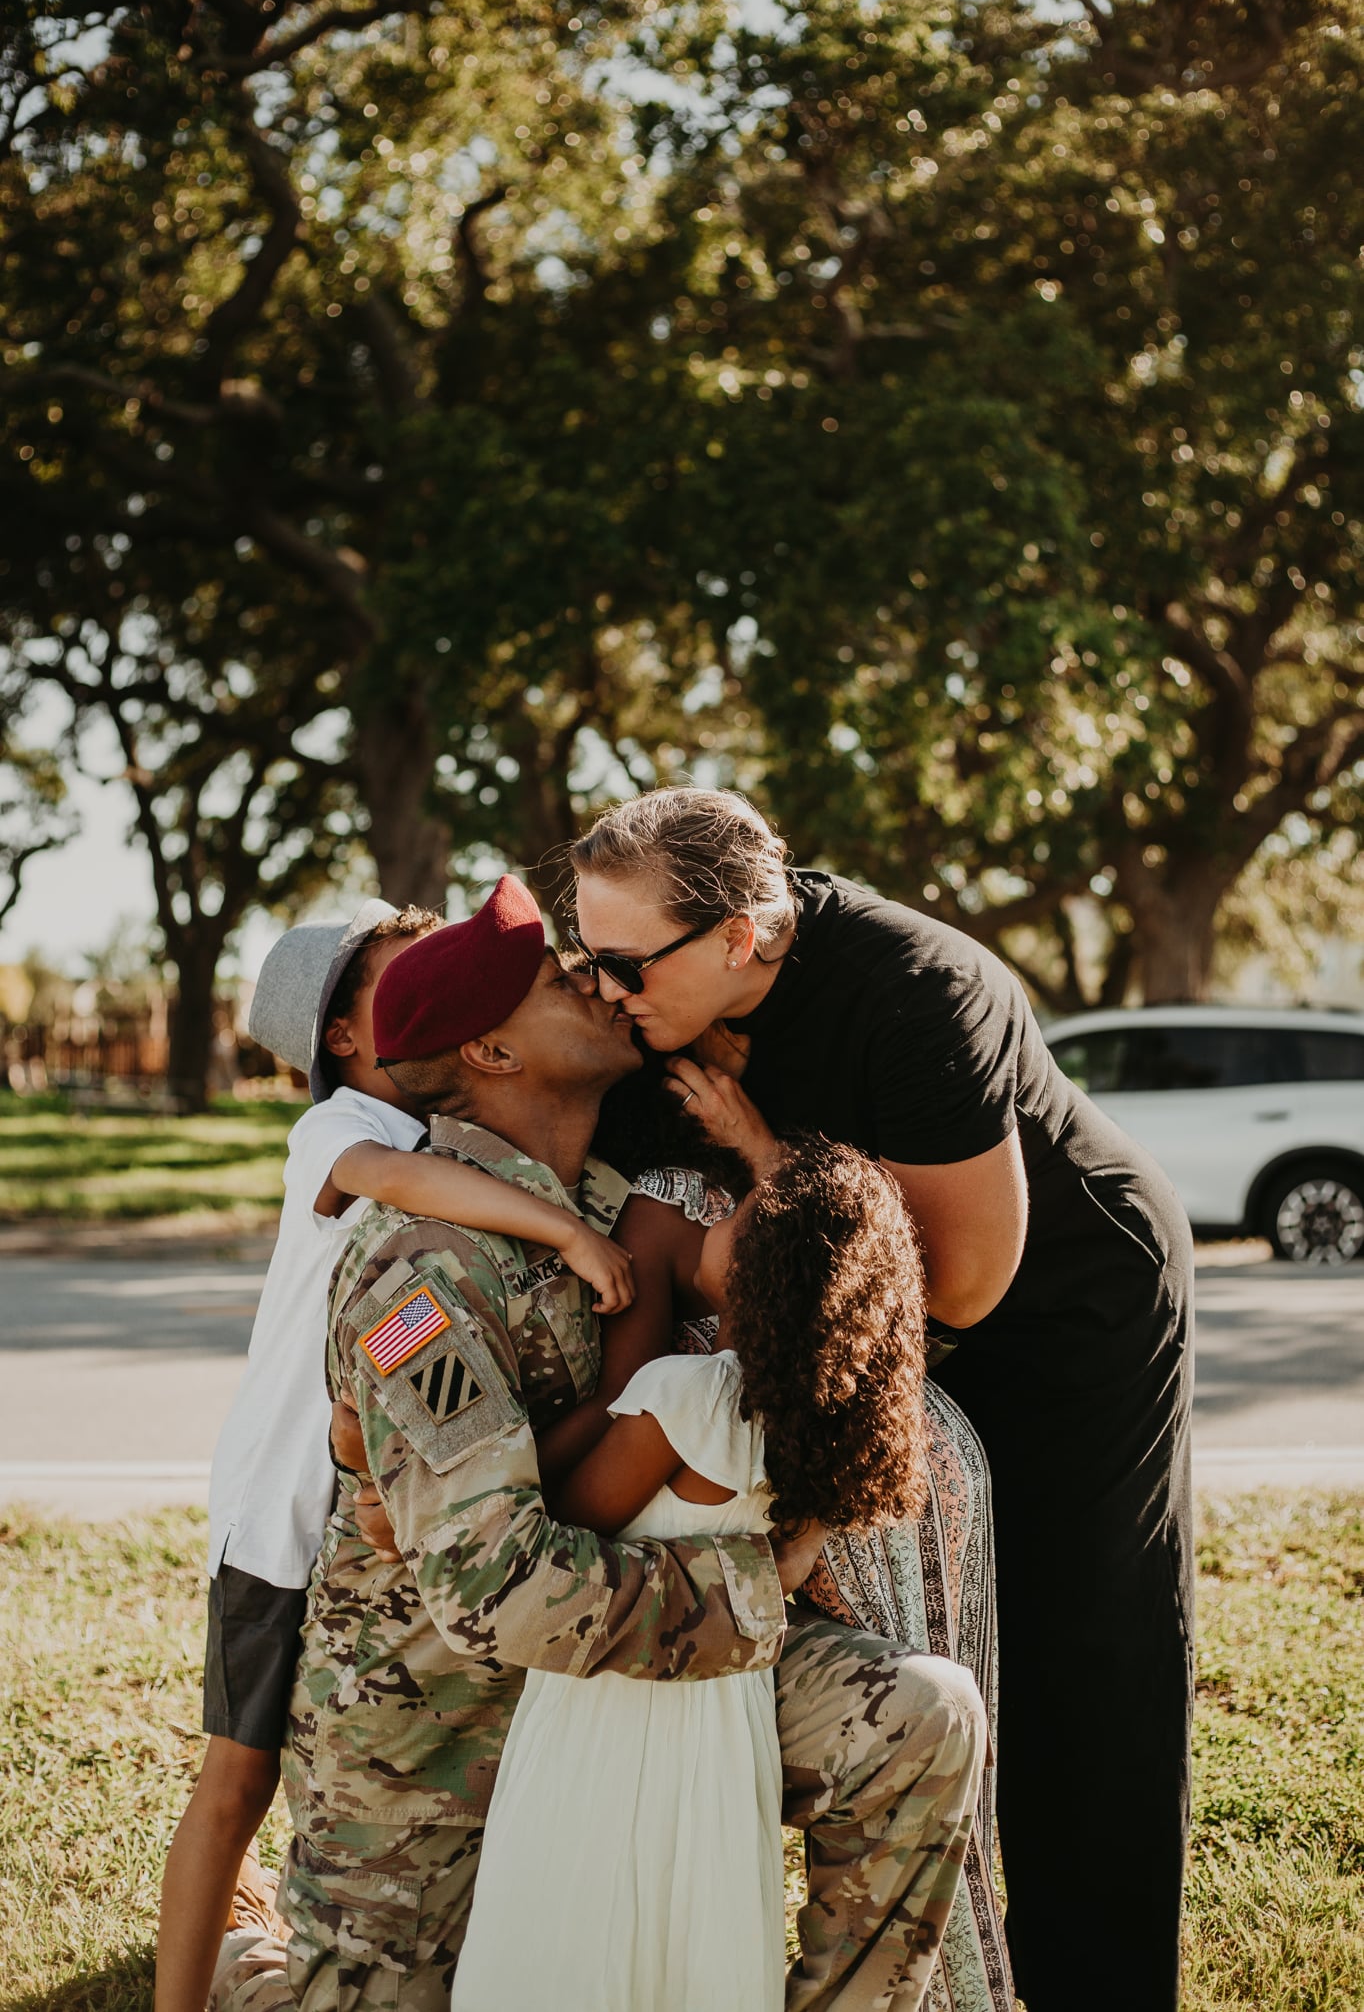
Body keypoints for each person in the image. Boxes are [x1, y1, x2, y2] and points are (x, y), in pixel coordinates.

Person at [209, 874, 988, 2012]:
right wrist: (754, 1592)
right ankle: (255, 1956)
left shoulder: (632, 1198)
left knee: (920, 1716)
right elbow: (496, 1593)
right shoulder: (416, 1270)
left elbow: (834, 1318)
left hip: (635, 1679)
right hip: (440, 1740)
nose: (589, 972)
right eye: (550, 974)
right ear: (492, 1054)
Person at [569, 786, 1196, 2012]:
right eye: (583, 959)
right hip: (864, 1327)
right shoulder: (662, 1018)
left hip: (1061, 1309)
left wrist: (767, 1155)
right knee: (931, 1646)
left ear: (742, 932)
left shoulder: (917, 990)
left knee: (1086, 1648)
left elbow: (959, 1281)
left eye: (625, 964)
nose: (603, 990)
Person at [156, 898, 636, 2012]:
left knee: (309, 1768)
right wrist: (564, 1230)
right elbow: (398, 1183)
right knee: (236, 1776)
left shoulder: (444, 1127)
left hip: (361, 1494)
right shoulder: (339, 1130)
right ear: (339, 1038)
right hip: (278, 1505)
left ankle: (289, 1929)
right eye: (402, 968)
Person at [453, 1136, 937, 2012]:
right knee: (686, 1925)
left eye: (740, 1213)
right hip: (722, 1717)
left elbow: (564, 1520)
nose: (717, 1215)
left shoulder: (688, 1396)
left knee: (575, 1917)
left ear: (761, 1265)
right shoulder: (811, 1421)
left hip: (613, 1702)